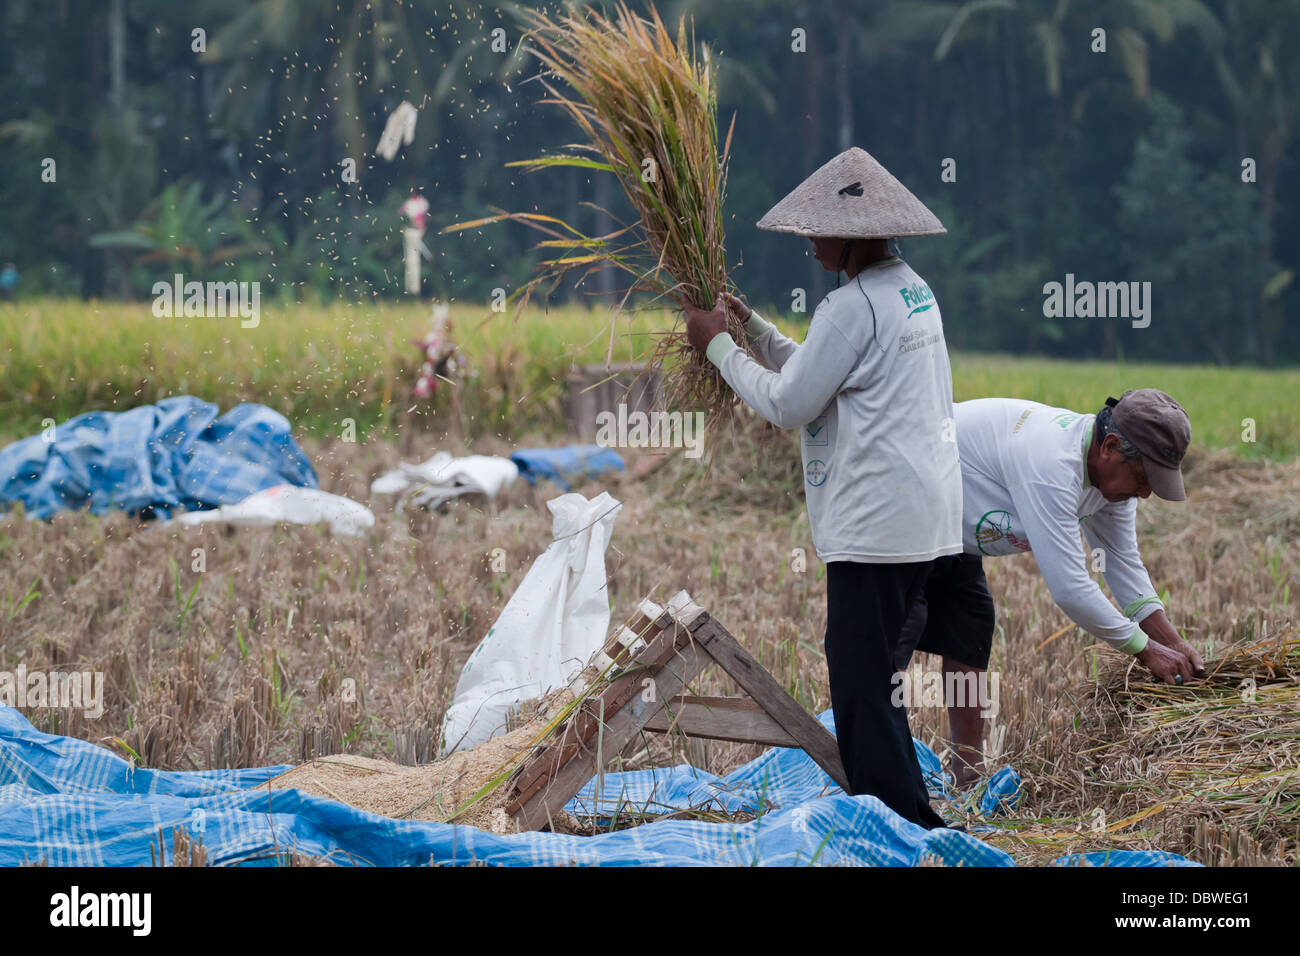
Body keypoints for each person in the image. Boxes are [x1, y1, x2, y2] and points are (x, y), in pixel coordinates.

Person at [682, 147, 962, 830]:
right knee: (873, 679)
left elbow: (787, 403)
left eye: (817, 232)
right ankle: (893, 809)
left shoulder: (850, 305)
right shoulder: (909, 289)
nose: (810, 244)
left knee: (863, 684)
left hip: (877, 530)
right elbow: (821, 369)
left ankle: (900, 822)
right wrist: (750, 330)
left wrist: (717, 348)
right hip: (922, 521)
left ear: (853, 235)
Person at [896, 390, 1206, 789]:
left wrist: (1174, 644)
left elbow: (1121, 562)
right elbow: (1071, 588)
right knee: (896, 634)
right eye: (1144, 479)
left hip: (955, 531)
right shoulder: (1051, 465)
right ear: (1110, 447)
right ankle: (873, 766)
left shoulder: (1111, 481)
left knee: (969, 627)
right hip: (905, 505)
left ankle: (965, 780)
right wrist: (1146, 651)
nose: (1145, 494)